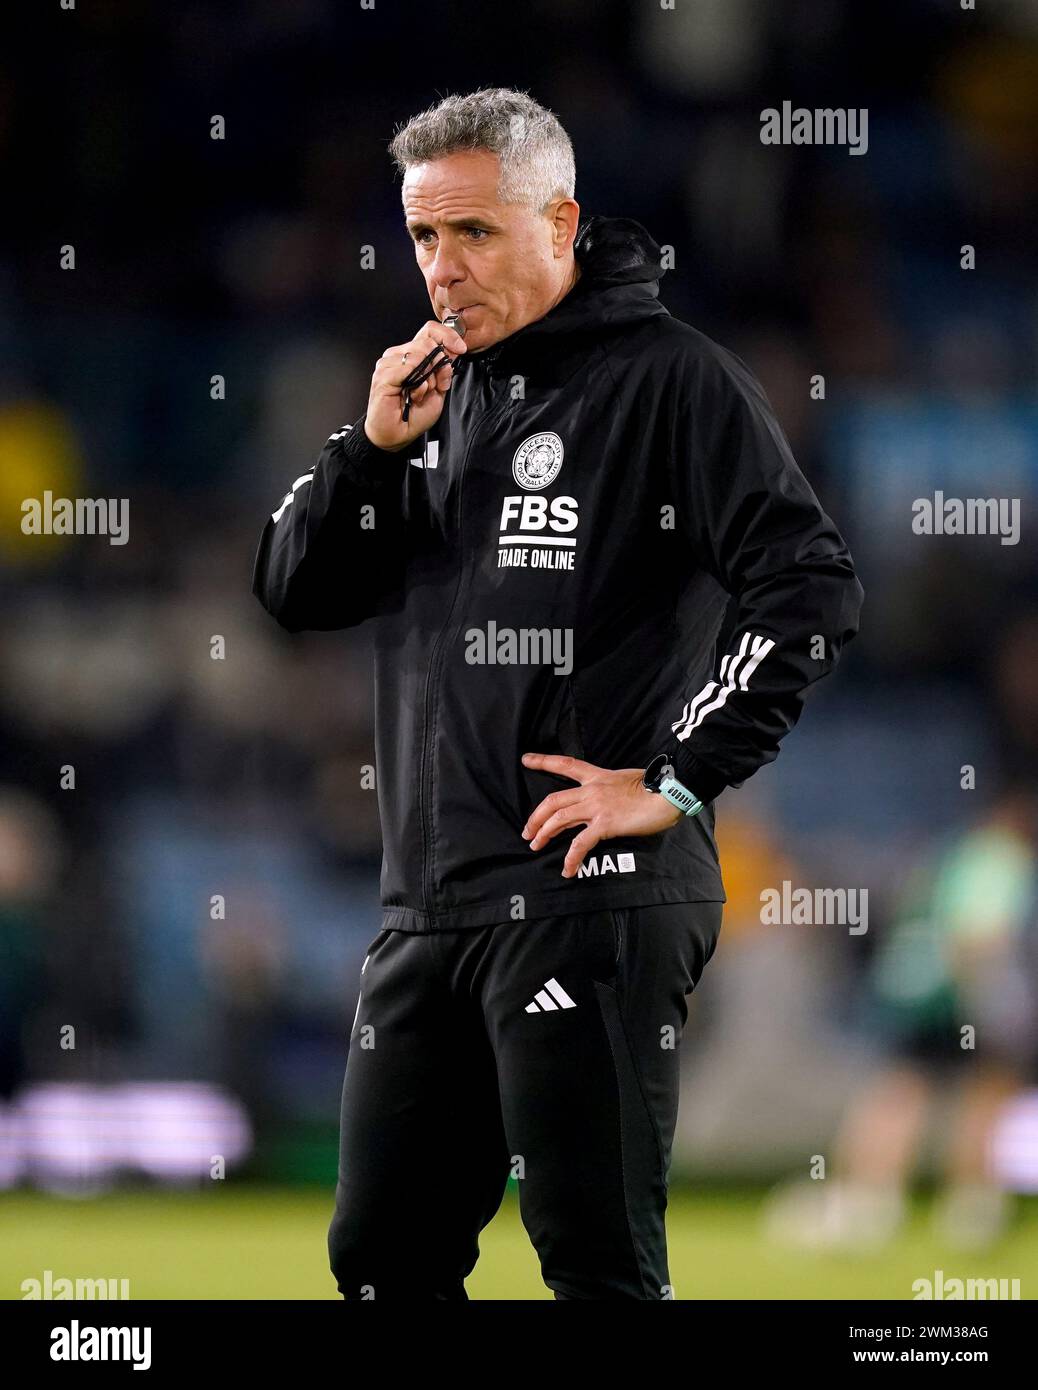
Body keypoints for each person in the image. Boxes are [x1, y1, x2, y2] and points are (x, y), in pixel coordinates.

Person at [252, 87, 864, 1299]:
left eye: (473, 232)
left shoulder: (673, 381)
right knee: (379, 1258)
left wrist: (679, 779)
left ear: (560, 221)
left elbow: (808, 583)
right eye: (424, 237)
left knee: (593, 1262)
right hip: (427, 905)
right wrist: (366, 452)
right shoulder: (427, 400)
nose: (442, 268)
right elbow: (290, 592)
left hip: (592, 895)